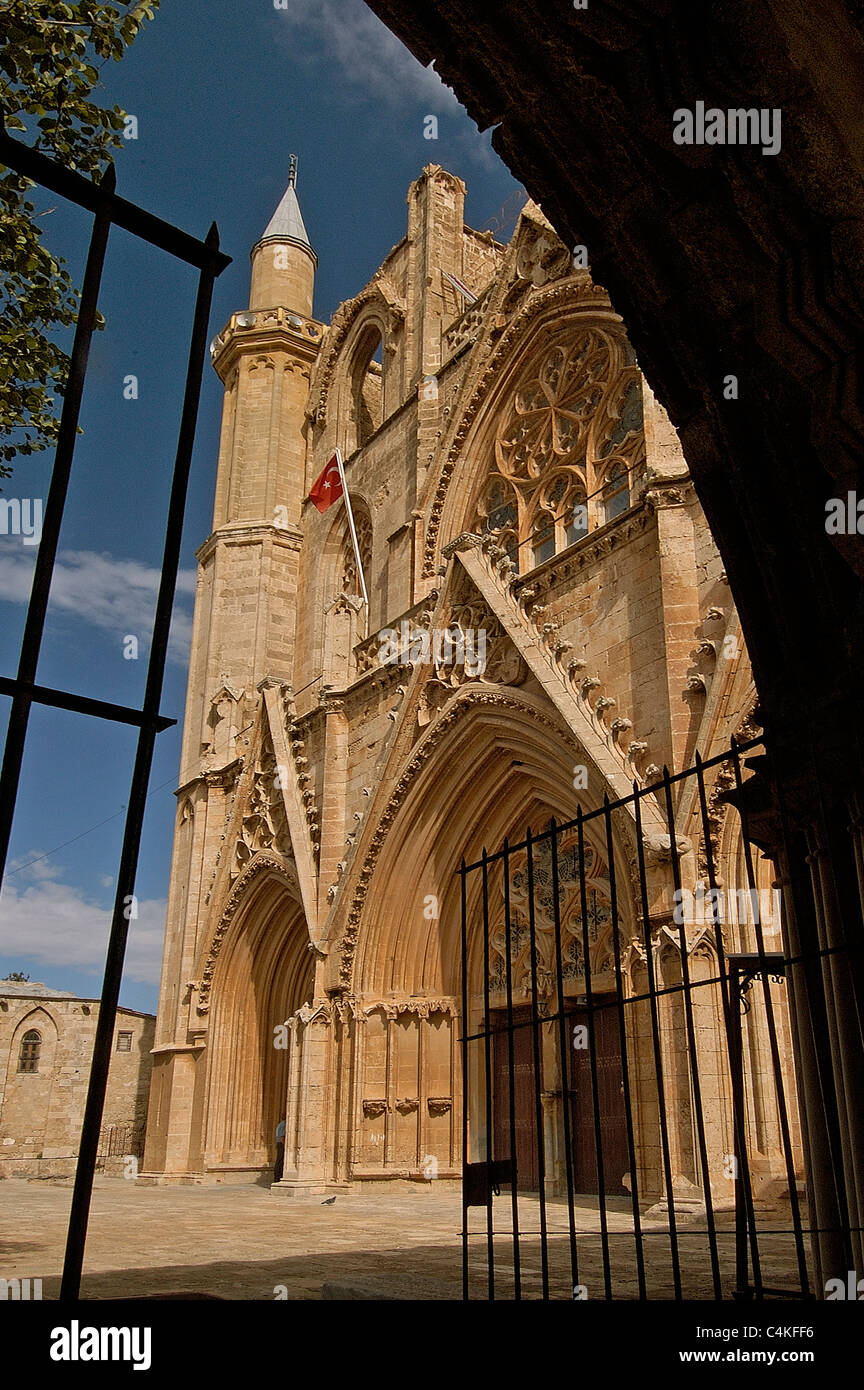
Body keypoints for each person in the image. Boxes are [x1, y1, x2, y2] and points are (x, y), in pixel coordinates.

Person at [274, 1117, 286, 1183]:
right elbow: (282, 1137)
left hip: (279, 1143)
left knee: (279, 1161)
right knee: (280, 1161)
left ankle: (277, 1177)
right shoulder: (284, 1124)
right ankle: (277, 1177)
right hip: (281, 1144)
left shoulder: (280, 1124)